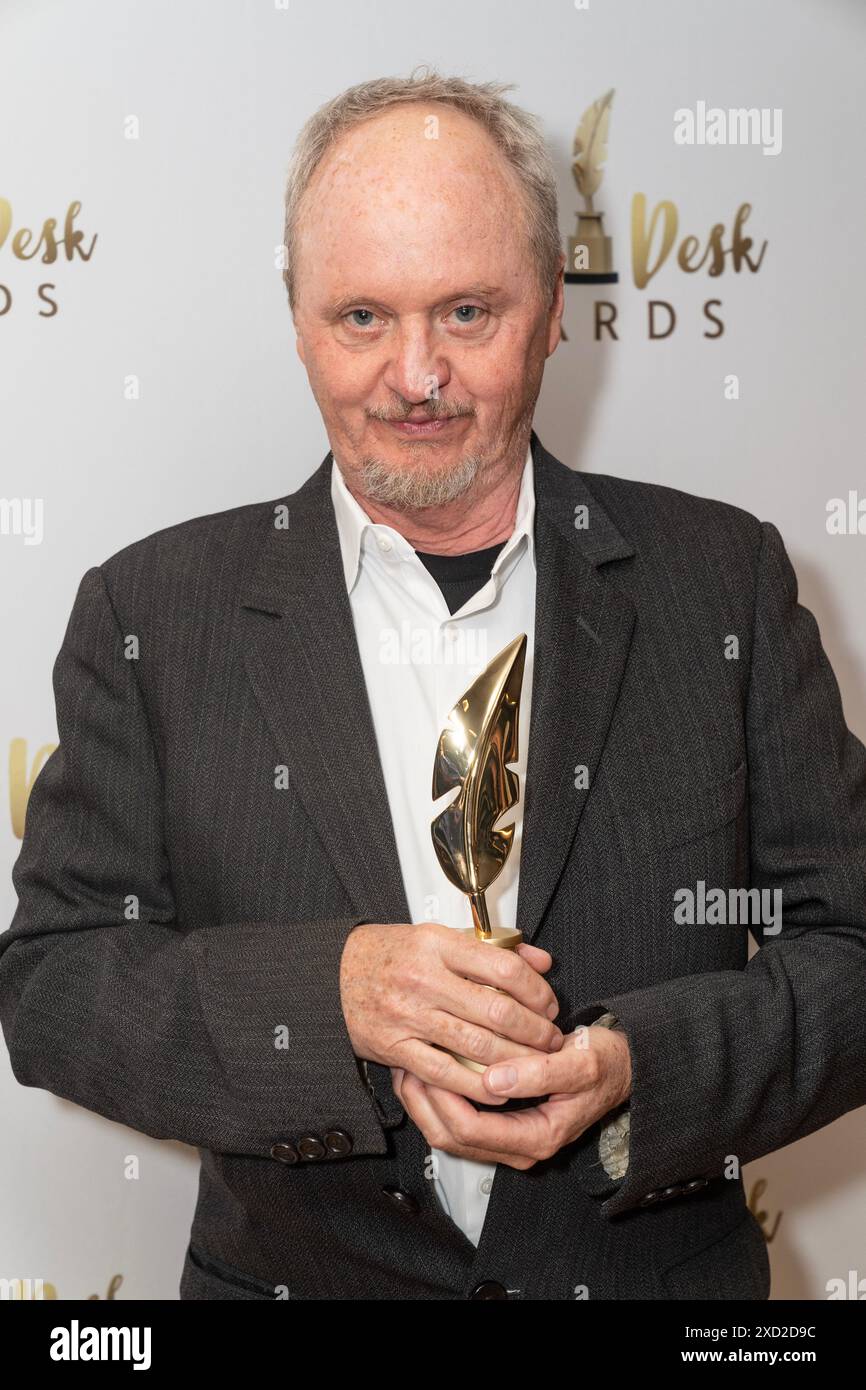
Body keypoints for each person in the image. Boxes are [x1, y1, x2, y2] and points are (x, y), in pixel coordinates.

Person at [2, 69, 864, 1301]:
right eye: (361, 316)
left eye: (466, 311)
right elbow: (56, 987)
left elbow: (850, 945)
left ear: (552, 307)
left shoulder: (721, 581)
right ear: (297, 316)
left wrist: (641, 1069)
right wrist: (332, 999)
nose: (415, 374)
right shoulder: (150, 612)